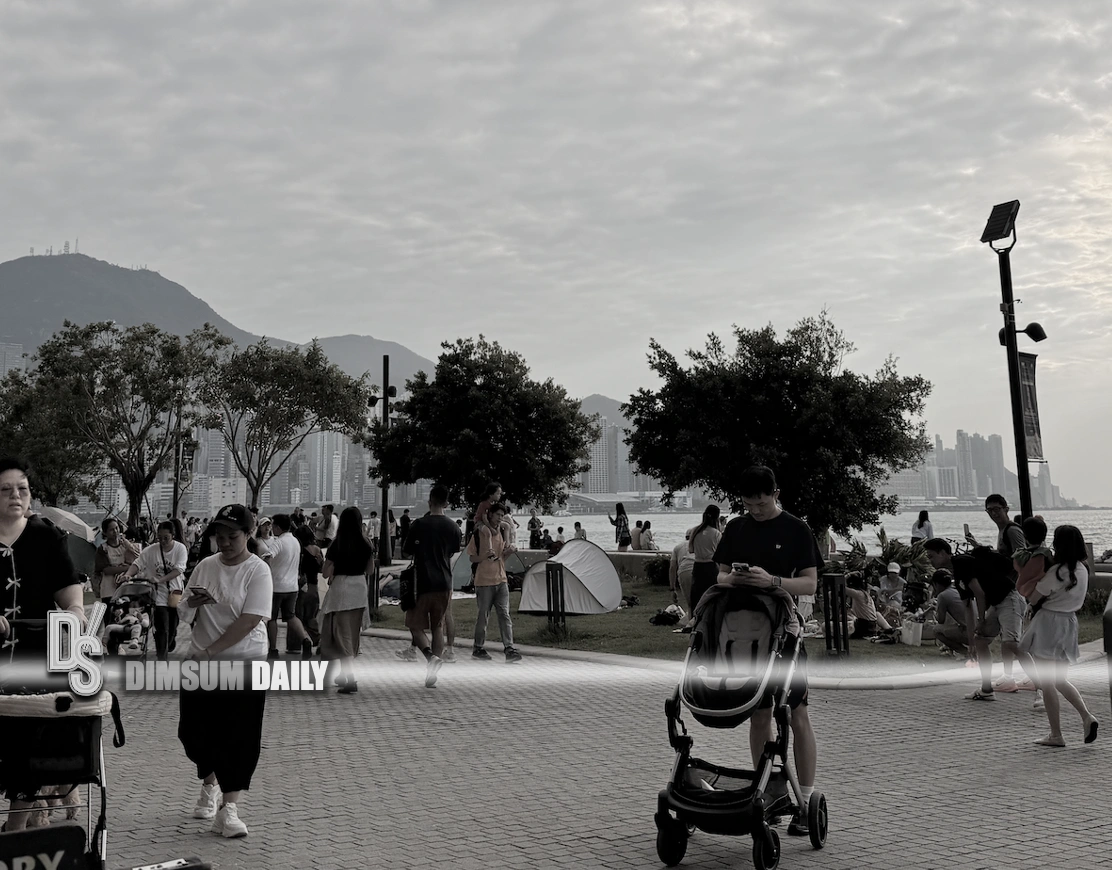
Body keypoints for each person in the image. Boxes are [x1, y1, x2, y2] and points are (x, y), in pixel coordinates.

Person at [712, 465, 820, 838]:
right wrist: (734, 578)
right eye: (748, 505)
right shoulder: (736, 528)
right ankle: (768, 789)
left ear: (775, 494)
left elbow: (809, 583)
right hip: (746, 636)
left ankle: (805, 797)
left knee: (796, 712)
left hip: (786, 632)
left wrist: (772, 580)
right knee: (758, 715)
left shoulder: (796, 529)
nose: (755, 511)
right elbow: (718, 575)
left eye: (761, 503)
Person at [0, 457, 87, 832]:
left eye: (22, 488)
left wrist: (76, 611)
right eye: (5, 489)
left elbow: (69, 591)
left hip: (34, 662)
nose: (15, 495)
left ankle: (15, 830)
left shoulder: (46, 536)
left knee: (28, 749)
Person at [176, 503, 272, 839]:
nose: (225, 542)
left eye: (233, 536)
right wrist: (191, 604)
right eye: (220, 536)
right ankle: (209, 784)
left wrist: (210, 652)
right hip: (201, 663)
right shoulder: (205, 566)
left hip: (244, 662)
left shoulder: (258, 571)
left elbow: (250, 619)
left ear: (248, 534)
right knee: (193, 733)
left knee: (239, 736)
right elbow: (183, 609)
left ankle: (229, 809)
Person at [1019, 525, 1099, 747]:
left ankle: (1056, 734)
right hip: (1069, 623)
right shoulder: (1082, 570)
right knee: (1059, 679)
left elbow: (1035, 597)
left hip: (1049, 624)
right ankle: (1087, 716)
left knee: (1047, 682)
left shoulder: (1056, 572)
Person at [922, 537, 1025, 701]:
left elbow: (979, 593)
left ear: (943, 553)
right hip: (996, 603)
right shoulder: (957, 577)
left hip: (1009, 599)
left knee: (1012, 644)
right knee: (980, 641)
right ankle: (986, 689)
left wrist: (982, 620)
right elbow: (968, 607)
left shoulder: (961, 563)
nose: (930, 561)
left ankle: (1042, 687)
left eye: (931, 556)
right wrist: (971, 642)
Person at [402, 484, 460, 687]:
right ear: (447, 504)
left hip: (421, 582)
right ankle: (431, 672)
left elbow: (406, 552)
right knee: (438, 626)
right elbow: (451, 552)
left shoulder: (418, 524)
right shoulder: (453, 527)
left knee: (414, 626)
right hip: (444, 582)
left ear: (429, 501)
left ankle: (430, 657)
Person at [320, 507, 375, 693]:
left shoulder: (337, 543)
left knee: (341, 635)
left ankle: (350, 679)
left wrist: (333, 570)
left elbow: (325, 572)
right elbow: (370, 570)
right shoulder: (366, 543)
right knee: (352, 634)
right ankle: (344, 675)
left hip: (341, 589)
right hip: (359, 589)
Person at [122, 520, 188, 660]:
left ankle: (169, 641)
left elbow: (179, 569)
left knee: (172, 625)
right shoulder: (151, 550)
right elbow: (138, 564)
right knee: (162, 626)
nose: (162, 541)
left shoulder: (180, 549)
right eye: (160, 538)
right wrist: (128, 574)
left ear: (173, 535)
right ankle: (161, 656)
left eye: (166, 538)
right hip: (158, 594)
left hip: (174, 593)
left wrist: (161, 579)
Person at [469, 502, 522, 663]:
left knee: (504, 615)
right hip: (484, 581)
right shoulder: (480, 533)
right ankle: (478, 648)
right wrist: (484, 556)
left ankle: (509, 648)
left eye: (502, 515)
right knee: (483, 615)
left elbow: (501, 558)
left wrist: (509, 552)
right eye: (498, 515)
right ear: (490, 515)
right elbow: (472, 557)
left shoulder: (503, 532)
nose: (500, 518)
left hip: (501, 579)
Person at [266, 513, 312, 661]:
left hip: (276, 586)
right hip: (292, 587)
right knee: (291, 616)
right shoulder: (295, 541)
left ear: (278, 527)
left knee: (272, 618)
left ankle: (273, 649)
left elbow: (268, 557)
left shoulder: (278, 542)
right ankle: (305, 639)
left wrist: (265, 570)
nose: (272, 528)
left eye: (273, 525)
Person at [93, 516, 140, 604]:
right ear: (105, 533)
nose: (115, 531)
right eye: (111, 530)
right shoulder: (103, 549)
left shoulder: (126, 546)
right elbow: (106, 570)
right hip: (108, 590)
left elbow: (137, 558)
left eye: (116, 528)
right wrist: (128, 568)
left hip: (126, 588)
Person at [687, 505, 723, 612]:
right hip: (711, 566)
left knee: (696, 596)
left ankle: (696, 617)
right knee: (712, 595)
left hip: (698, 566)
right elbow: (720, 553)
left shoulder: (695, 530)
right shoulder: (716, 533)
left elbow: (691, 549)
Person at [292, 525, 323, 649]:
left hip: (303, 586)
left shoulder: (300, 551)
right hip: (314, 585)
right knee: (311, 615)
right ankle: (319, 639)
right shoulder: (317, 549)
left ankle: (318, 639)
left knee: (301, 616)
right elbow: (321, 569)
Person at [928, 568, 971, 657]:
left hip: (969, 633)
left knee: (936, 630)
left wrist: (936, 610)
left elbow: (941, 620)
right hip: (980, 631)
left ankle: (964, 652)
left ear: (936, 584)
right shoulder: (957, 590)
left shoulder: (942, 595)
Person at [668, 530, 696, 631]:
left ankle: (691, 624)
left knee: (690, 603)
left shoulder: (677, 547)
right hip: (698, 568)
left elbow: (672, 568)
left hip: (684, 571)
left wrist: (672, 588)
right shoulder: (698, 545)